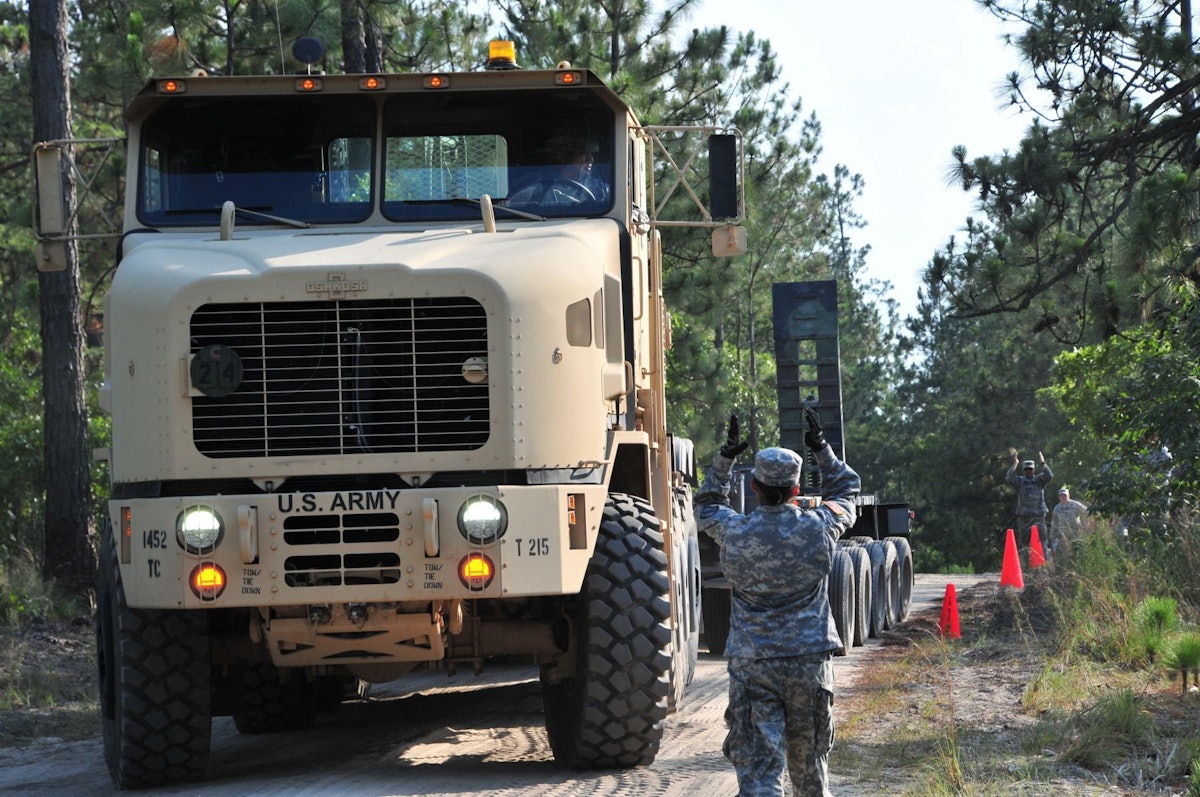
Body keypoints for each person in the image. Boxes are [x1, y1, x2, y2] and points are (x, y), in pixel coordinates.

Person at [694, 409, 861, 797]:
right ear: (797, 490)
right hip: (809, 663)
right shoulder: (819, 527)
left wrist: (725, 458)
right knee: (810, 773)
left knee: (758, 774)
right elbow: (846, 491)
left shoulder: (735, 531)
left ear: (754, 487)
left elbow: (705, 503)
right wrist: (822, 450)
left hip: (754, 665)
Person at [1006, 450, 1052, 539]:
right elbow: (1009, 477)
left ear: (1034, 470)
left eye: (1030, 469)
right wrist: (1015, 463)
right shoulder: (1020, 481)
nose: (1028, 471)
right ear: (1023, 470)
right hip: (1024, 517)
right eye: (1026, 469)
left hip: (1038, 516)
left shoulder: (1039, 480)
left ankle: (1043, 553)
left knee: (1042, 541)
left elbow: (1049, 475)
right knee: (1024, 542)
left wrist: (1043, 463)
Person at [1049, 487, 1088, 561]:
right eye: (1061, 496)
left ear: (1068, 495)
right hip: (1063, 535)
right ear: (1059, 497)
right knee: (1065, 553)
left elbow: (1087, 512)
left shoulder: (1075, 505)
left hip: (1075, 532)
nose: (1063, 497)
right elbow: (1054, 522)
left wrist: (1084, 525)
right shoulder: (1056, 508)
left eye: (1065, 495)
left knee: (1077, 550)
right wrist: (1052, 535)